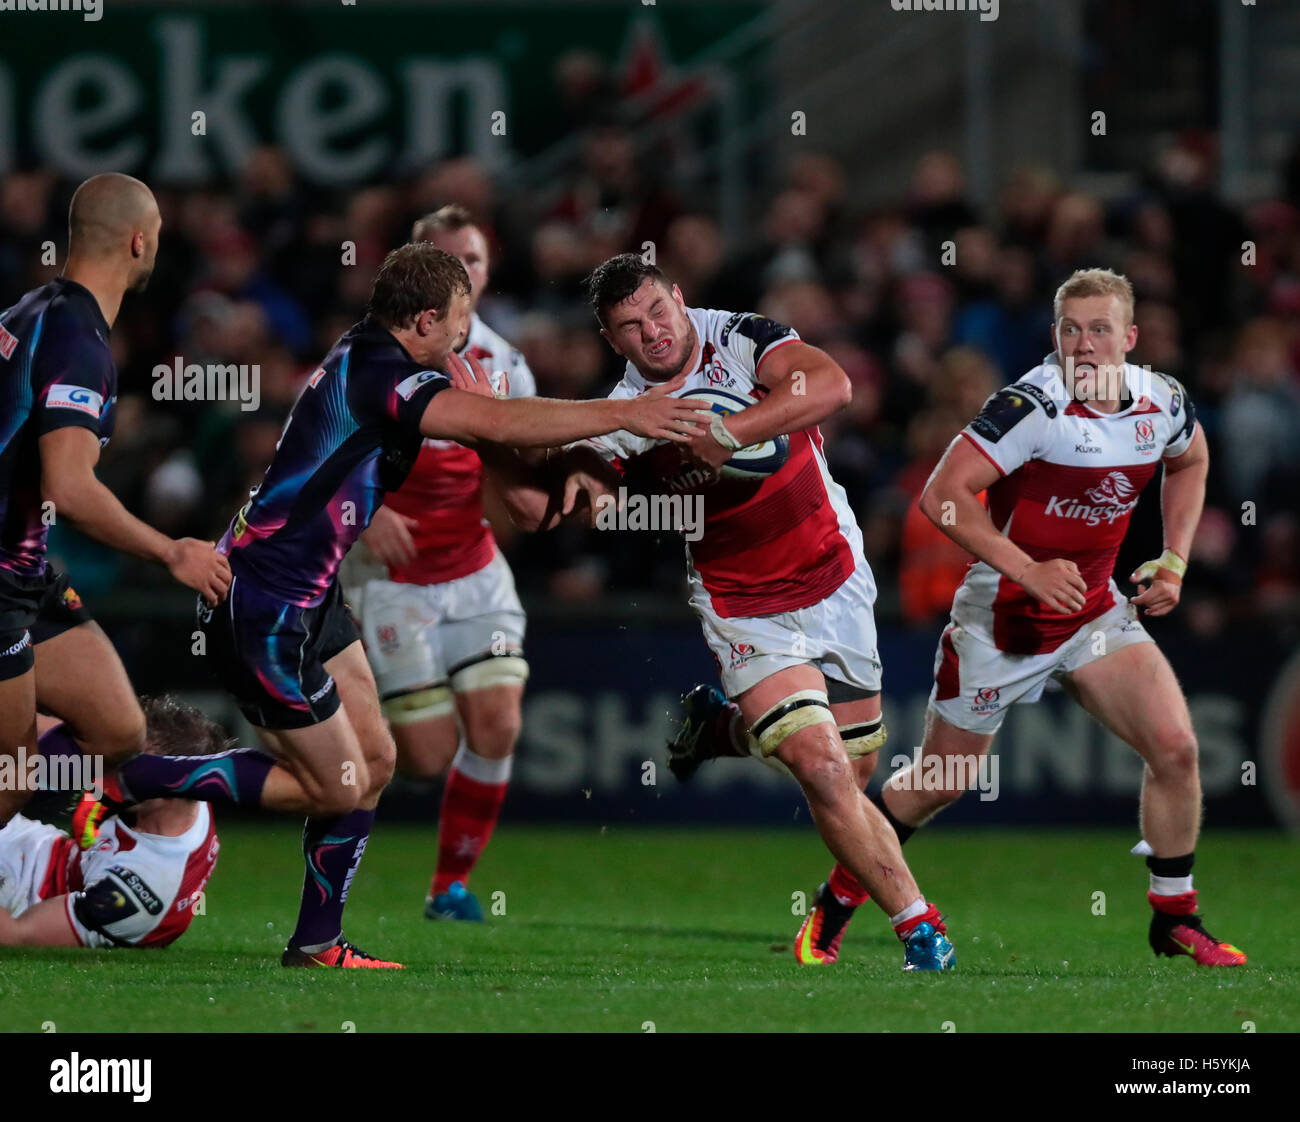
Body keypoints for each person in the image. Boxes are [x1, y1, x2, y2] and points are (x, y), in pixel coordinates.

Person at [90, 243, 705, 968]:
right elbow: (500, 428)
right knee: (336, 783)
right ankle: (128, 779)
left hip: (311, 598)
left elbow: (496, 441)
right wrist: (626, 411)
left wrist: (510, 423)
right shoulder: (386, 374)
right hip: (266, 606)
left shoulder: (371, 353)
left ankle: (318, 941)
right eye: (457, 321)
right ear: (421, 319)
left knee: (374, 761)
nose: (463, 336)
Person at [500, 254, 955, 971]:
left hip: (834, 572)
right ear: (612, 342)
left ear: (680, 298)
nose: (653, 332)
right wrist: (505, 444)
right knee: (824, 767)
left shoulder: (738, 336)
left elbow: (831, 384)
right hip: (743, 602)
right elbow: (537, 510)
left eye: (658, 311)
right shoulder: (625, 418)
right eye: (630, 327)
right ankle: (920, 929)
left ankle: (722, 730)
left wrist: (730, 432)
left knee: (857, 765)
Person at [792, 267, 1245, 967]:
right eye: (1071, 330)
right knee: (941, 784)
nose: (1085, 345)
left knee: (1178, 748)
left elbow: (1191, 462)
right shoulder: (1032, 406)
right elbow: (942, 497)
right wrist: (1026, 568)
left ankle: (1174, 916)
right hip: (1003, 619)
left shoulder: (1163, 400)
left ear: (1130, 336)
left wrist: (1175, 559)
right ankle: (838, 899)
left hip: (1093, 612)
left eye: (1100, 330)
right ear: (1056, 336)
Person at [0, 173, 231, 829]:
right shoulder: (80, 342)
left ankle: (53, 831)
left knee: (118, 729)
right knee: (11, 780)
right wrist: (171, 551)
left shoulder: (29, 311)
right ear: (138, 241)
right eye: (156, 235)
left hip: (26, 571)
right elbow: (69, 490)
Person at [342, 207, 535, 922]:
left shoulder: (507, 363)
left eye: (474, 260)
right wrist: (368, 512)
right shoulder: (369, 357)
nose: (465, 273)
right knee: (425, 757)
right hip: (392, 584)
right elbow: (304, 457)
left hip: (475, 572)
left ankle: (449, 885)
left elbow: (521, 459)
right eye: (448, 260)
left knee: (500, 725)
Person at [0, 696, 221, 949]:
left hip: (26, 895)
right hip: (36, 847)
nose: (108, 769)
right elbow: (33, 734)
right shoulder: (187, 789)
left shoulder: (138, 891)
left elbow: (17, 935)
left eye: (129, 766)